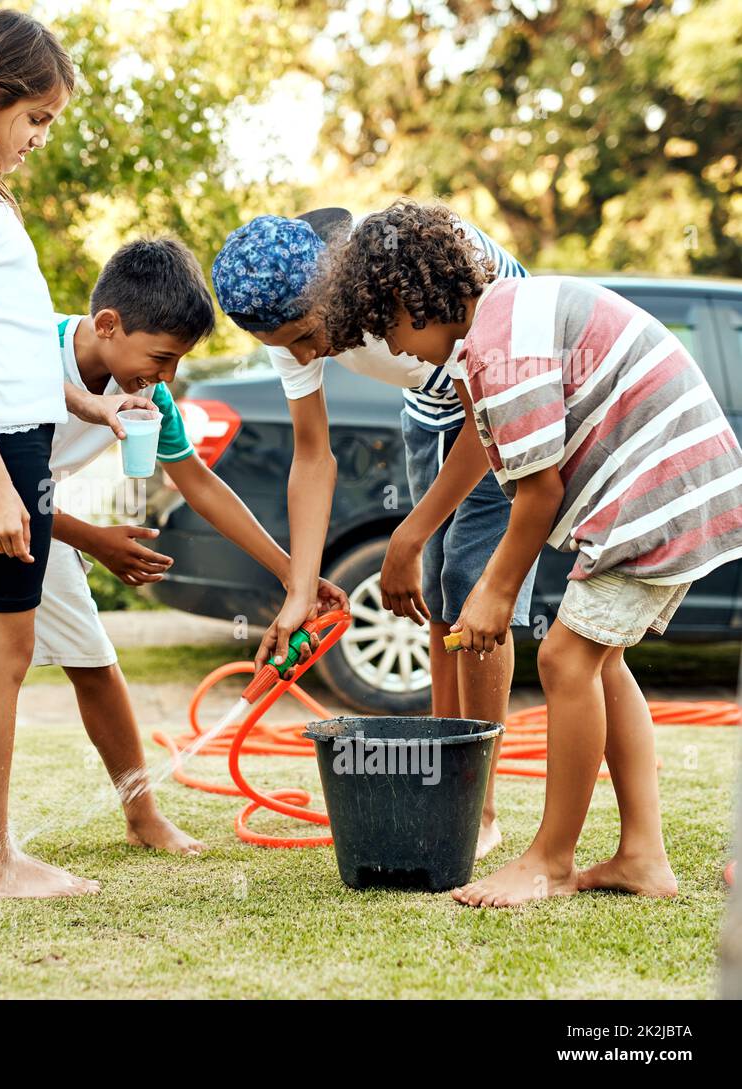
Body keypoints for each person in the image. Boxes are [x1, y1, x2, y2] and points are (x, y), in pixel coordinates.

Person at [317, 199, 742, 907]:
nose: (396, 351)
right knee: (601, 663)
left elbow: (538, 492)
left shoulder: (499, 343)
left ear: (409, 301)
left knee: (563, 658)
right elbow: (496, 454)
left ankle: (549, 860)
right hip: (680, 483)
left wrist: (495, 590)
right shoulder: (497, 322)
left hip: (659, 490)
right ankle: (643, 856)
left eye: (388, 330)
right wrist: (425, 538)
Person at [0, 236, 347, 863]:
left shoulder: (148, 396)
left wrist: (298, 578)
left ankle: (143, 816)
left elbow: (201, 485)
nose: (167, 379)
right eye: (161, 357)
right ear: (108, 325)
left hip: (32, 503)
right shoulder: (28, 349)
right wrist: (95, 541)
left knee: (93, 658)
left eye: (178, 363)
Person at [0, 9, 143, 900]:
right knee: (2, 656)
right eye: (34, 118)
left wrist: (88, 403)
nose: (40, 138)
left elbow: (15, 345)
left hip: (19, 439)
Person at [211, 207, 533, 857]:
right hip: (433, 406)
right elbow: (312, 455)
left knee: (472, 589)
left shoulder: (411, 269)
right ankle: (451, 780)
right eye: (284, 346)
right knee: (439, 602)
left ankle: (480, 805)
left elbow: (489, 415)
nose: (304, 356)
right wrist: (299, 589)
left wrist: (407, 537)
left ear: (333, 287)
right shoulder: (286, 312)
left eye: (305, 335)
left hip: (513, 391)